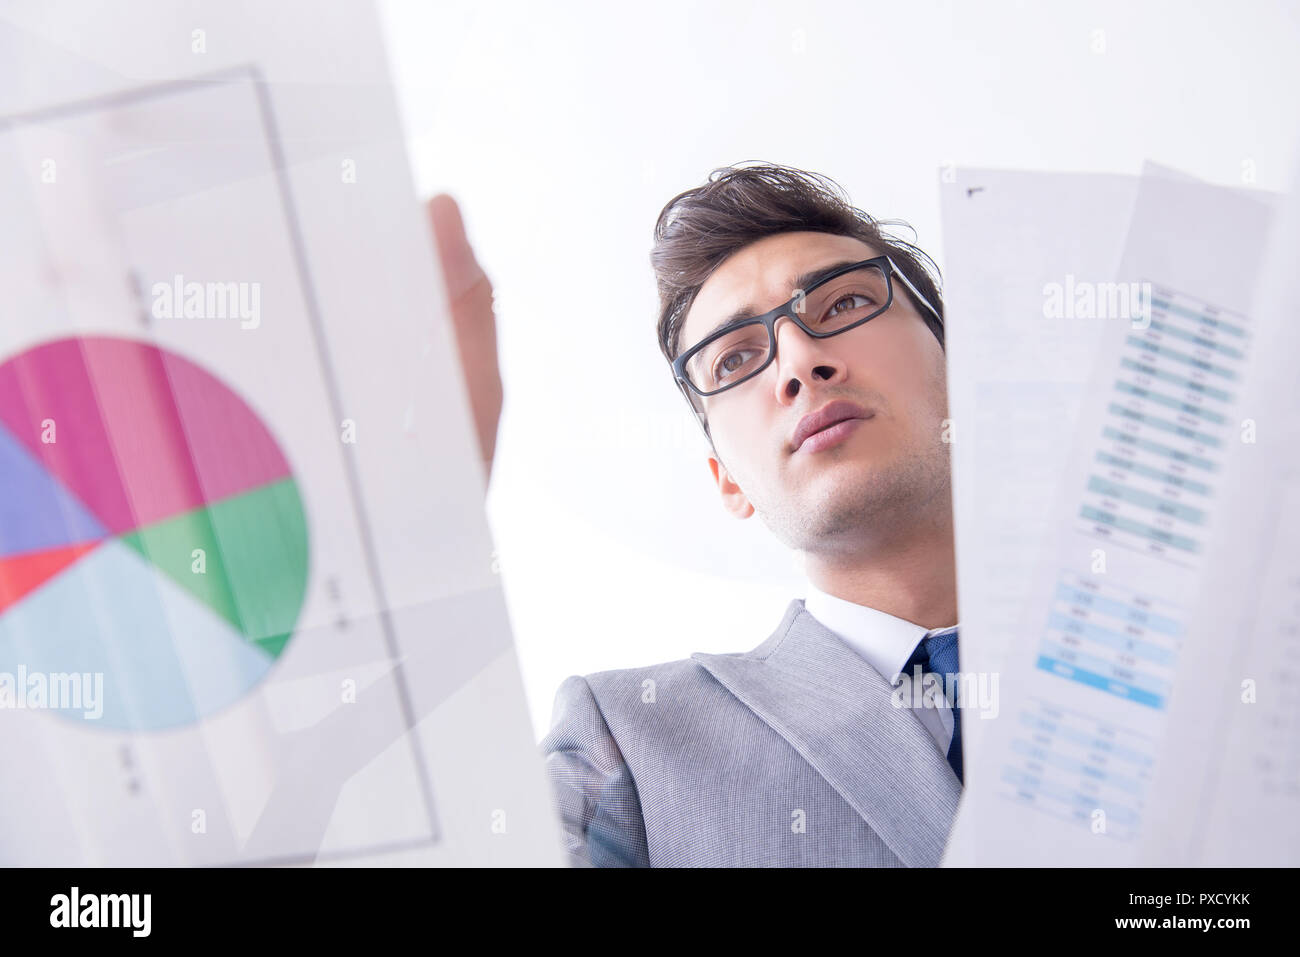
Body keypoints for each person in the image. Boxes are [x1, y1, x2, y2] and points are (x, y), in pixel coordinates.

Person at [429, 164, 963, 867]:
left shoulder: (1157, 667)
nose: (798, 361)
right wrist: (412, 555)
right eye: (736, 357)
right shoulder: (624, 740)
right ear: (728, 481)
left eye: (842, 304)